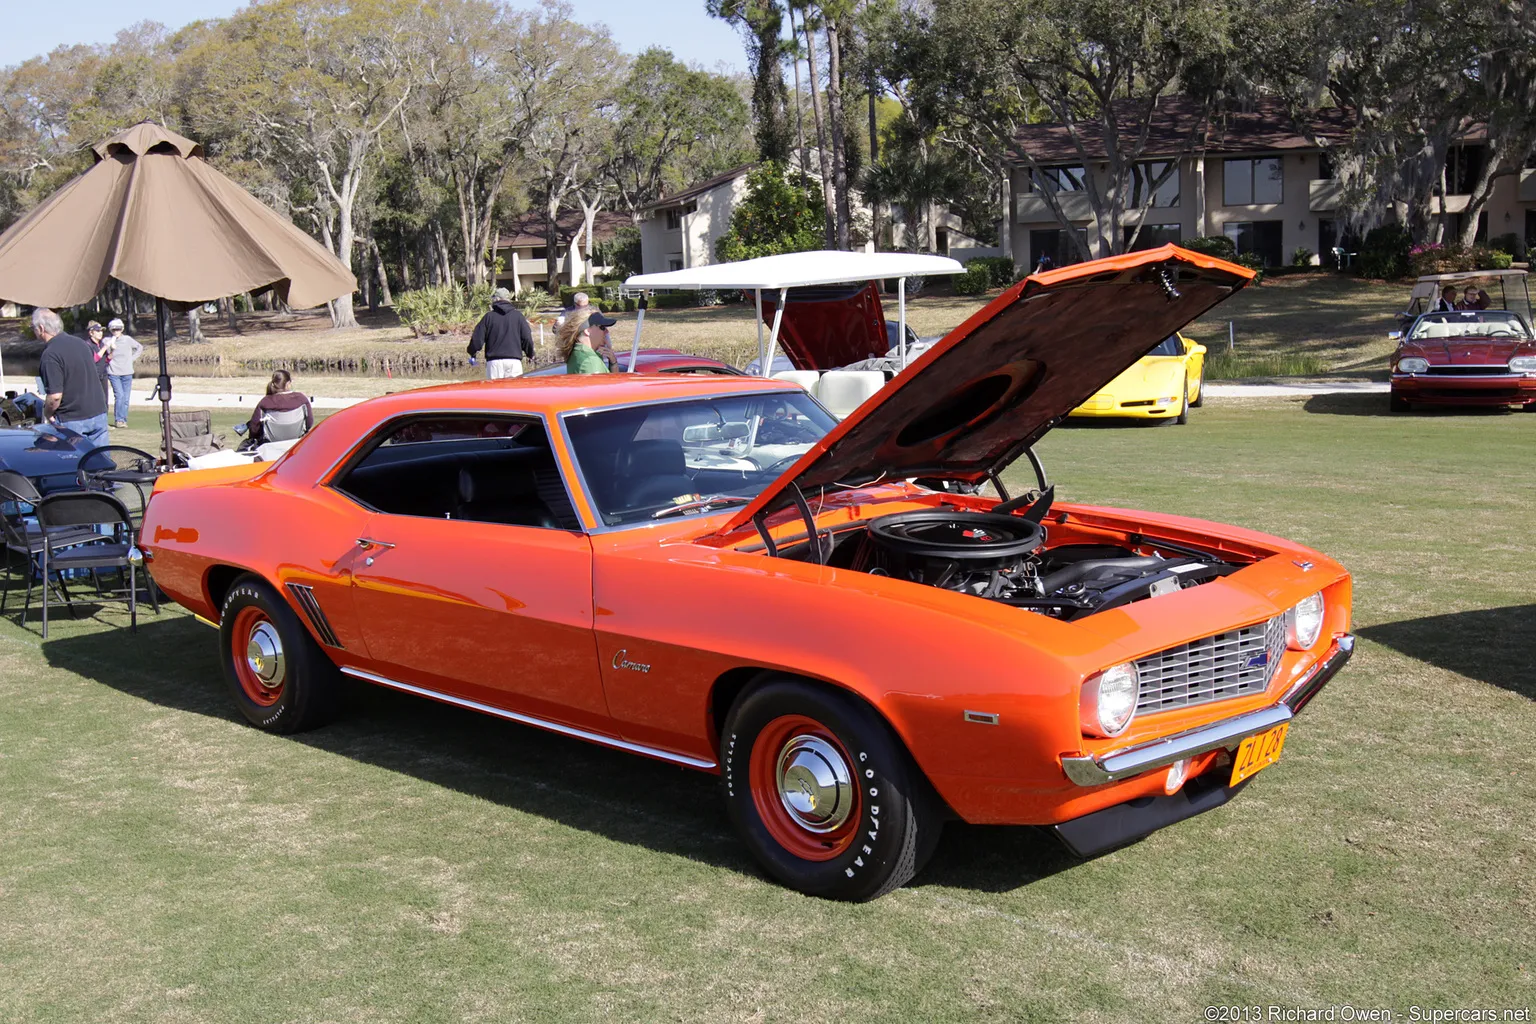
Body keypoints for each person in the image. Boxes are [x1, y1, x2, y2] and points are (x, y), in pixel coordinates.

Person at [33, 307, 108, 445]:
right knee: (101, 461)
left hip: (72, 418)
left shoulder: (50, 354)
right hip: (98, 412)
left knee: (73, 463)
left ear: (41, 328)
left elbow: (55, 396)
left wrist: (47, 413)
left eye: (34, 327)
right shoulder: (81, 343)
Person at [467, 287, 534, 379]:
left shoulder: (488, 317)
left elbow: (477, 339)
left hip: (494, 363)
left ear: (496, 299)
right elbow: (526, 337)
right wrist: (530, 354)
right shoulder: (518, 316)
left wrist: (472, 352)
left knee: (495, 392)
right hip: (514, 362)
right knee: (514, 392)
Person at [247, 370, 313, 442]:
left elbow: (254, 429)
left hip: (270, 443)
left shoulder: (265, 402)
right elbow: (309, 423)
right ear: (288, 384)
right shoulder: (301, 399)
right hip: (296, 441)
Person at [104, 317, 143, 428]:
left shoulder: (127, 339)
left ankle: (123, 419)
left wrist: (132, 358)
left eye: (118, 329)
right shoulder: (107, 340)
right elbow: (102, 352)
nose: (116, 331)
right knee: (119, 396)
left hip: (127, 372)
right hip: (113, 372)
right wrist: (110, 346)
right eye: (114, 329)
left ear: (122, 329)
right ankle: (119, 419)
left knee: (126, 398)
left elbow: (139, 347)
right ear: (110, 330)